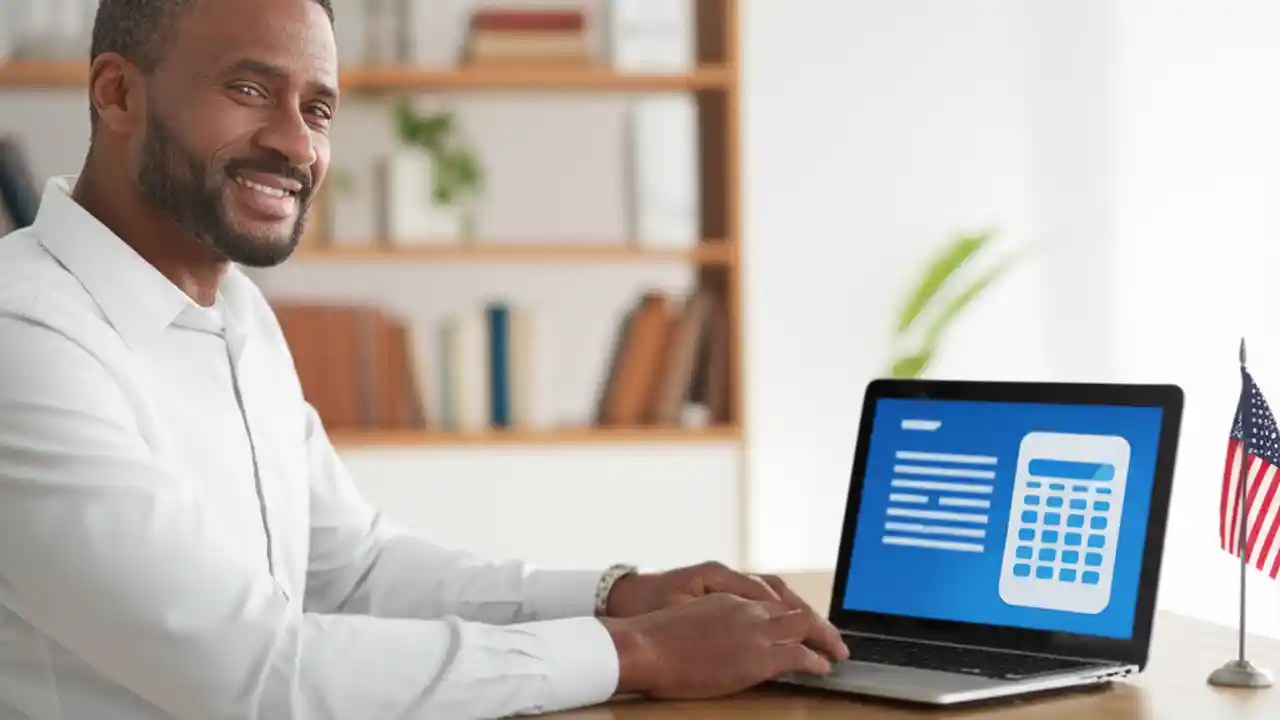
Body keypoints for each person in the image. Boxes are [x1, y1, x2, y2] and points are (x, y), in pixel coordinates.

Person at [0, 0, 848, 717]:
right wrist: (635, 653)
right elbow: (250, 669)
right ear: (117, 93)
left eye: (320, 109)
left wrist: (618, 595)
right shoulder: (24, 334)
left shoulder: (239, 318)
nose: (295, 144)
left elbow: (355, 571)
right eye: (250, 89)